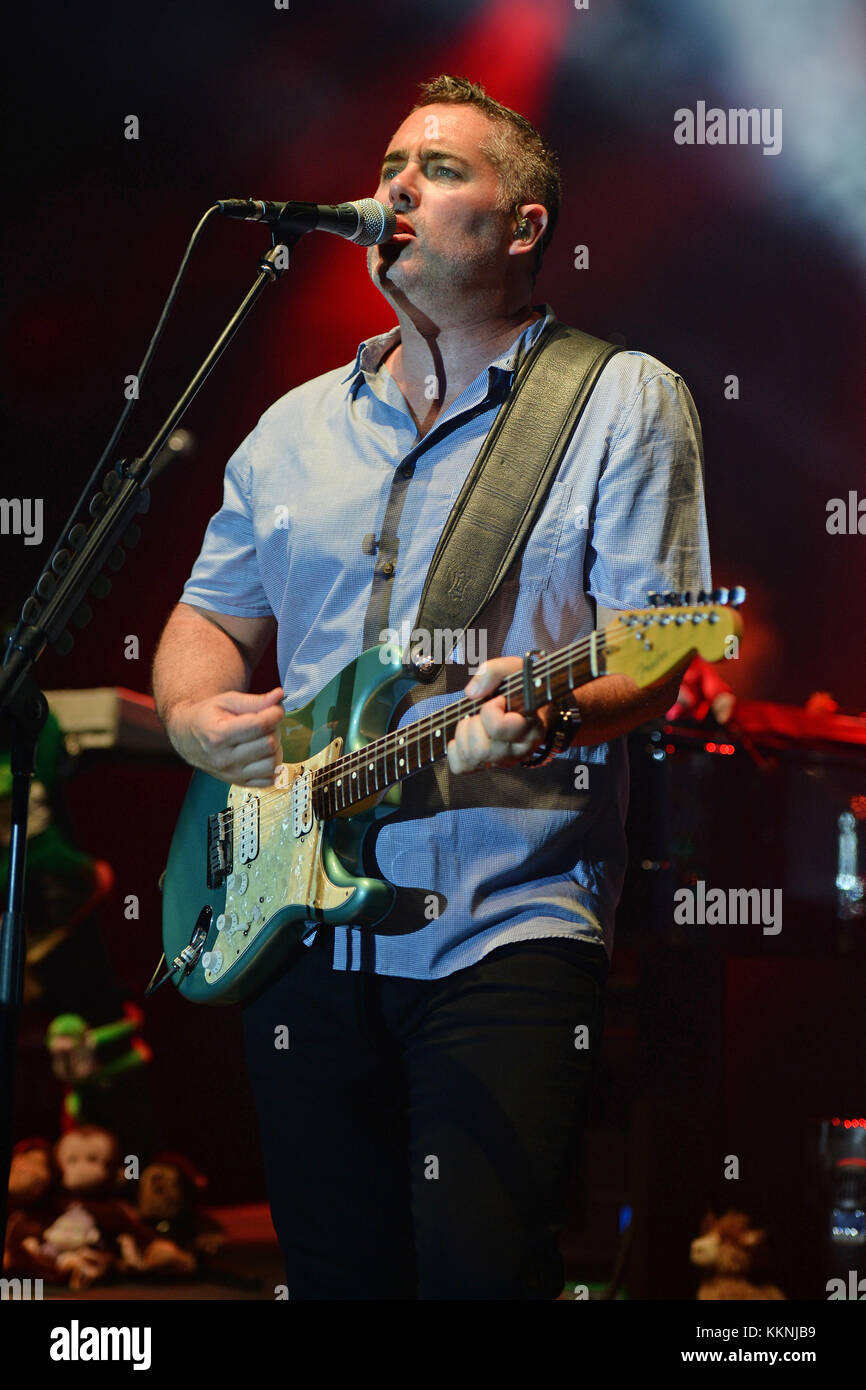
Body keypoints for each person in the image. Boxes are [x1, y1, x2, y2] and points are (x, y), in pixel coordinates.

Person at [151, 74, 711, 1300]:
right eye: (391, 162)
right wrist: (197, 719)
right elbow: (202, 619)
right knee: (334, 1272)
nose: (396, 186)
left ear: (522, 227)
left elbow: (658, 649)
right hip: (289, 911)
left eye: (441, 168)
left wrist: (557, 700)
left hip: (503, 918)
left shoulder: (621, 399)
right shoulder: (289, 428)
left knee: (477, 1270)